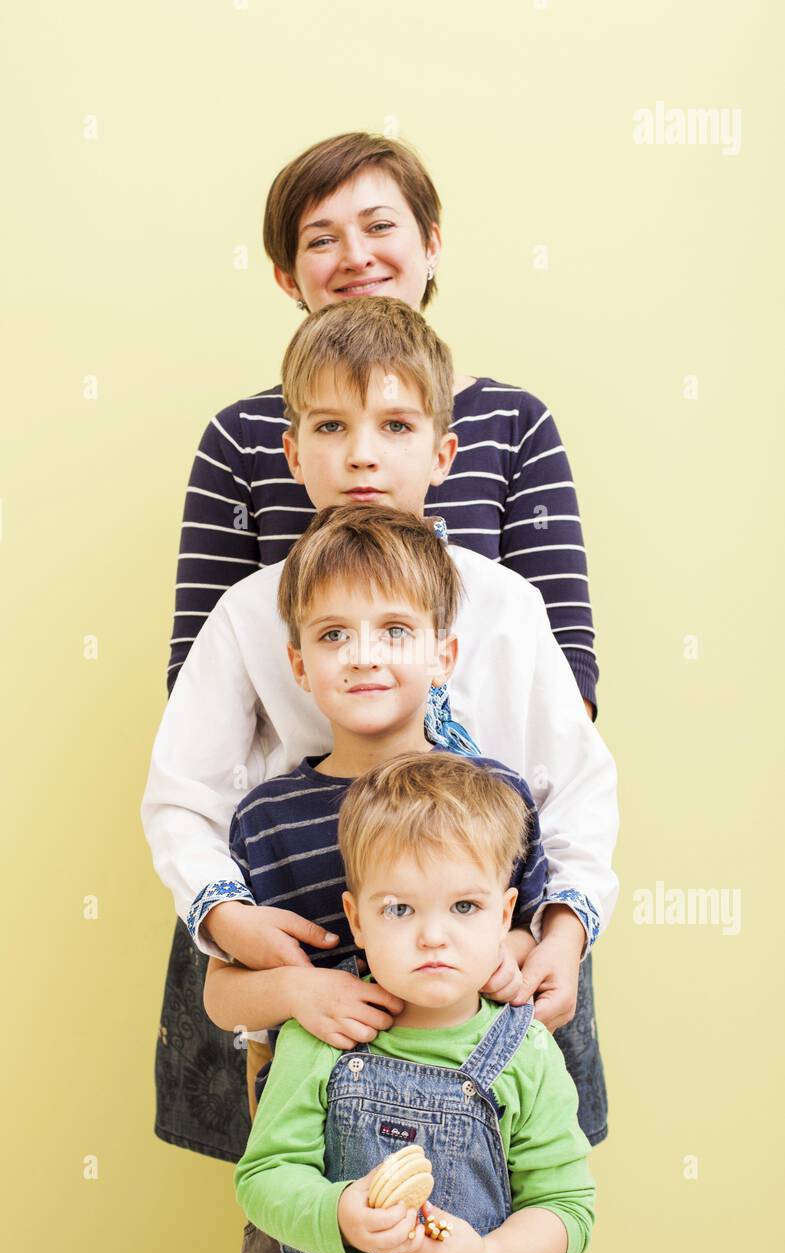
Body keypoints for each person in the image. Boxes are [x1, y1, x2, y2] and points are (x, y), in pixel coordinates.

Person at [154, 133, 603, 1167]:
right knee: (299, 1189)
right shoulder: (252, 591)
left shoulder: (498, 580)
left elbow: (565, 718)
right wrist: (232, 907)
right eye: (321, 236)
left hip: (487, 904)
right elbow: (196, 736)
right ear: (292, 439)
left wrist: (551, 917)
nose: (361, 452)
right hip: (303, 893)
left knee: (506, 1181)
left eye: (397, 426)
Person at [204, 501, 550, 1253]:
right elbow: (220, 996)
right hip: (307, 1150)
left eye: (394, 630)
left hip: (479, 1133)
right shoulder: (265, 820)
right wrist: (299, 989)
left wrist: (513, 964)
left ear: (443, 653)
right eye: (332, 636)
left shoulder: (496, 794)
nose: (363, 657)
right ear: (298, 664)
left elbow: (528, 939)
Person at [234, 752, 596, 1253]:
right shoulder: (322, 1036)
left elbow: (566, 1209)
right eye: (400, 909)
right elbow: (263, 1178)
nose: (433, 936)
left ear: (505, 915)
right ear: (357, 919)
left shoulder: (527, 1051)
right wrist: (338, 1215)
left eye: (465, 907)